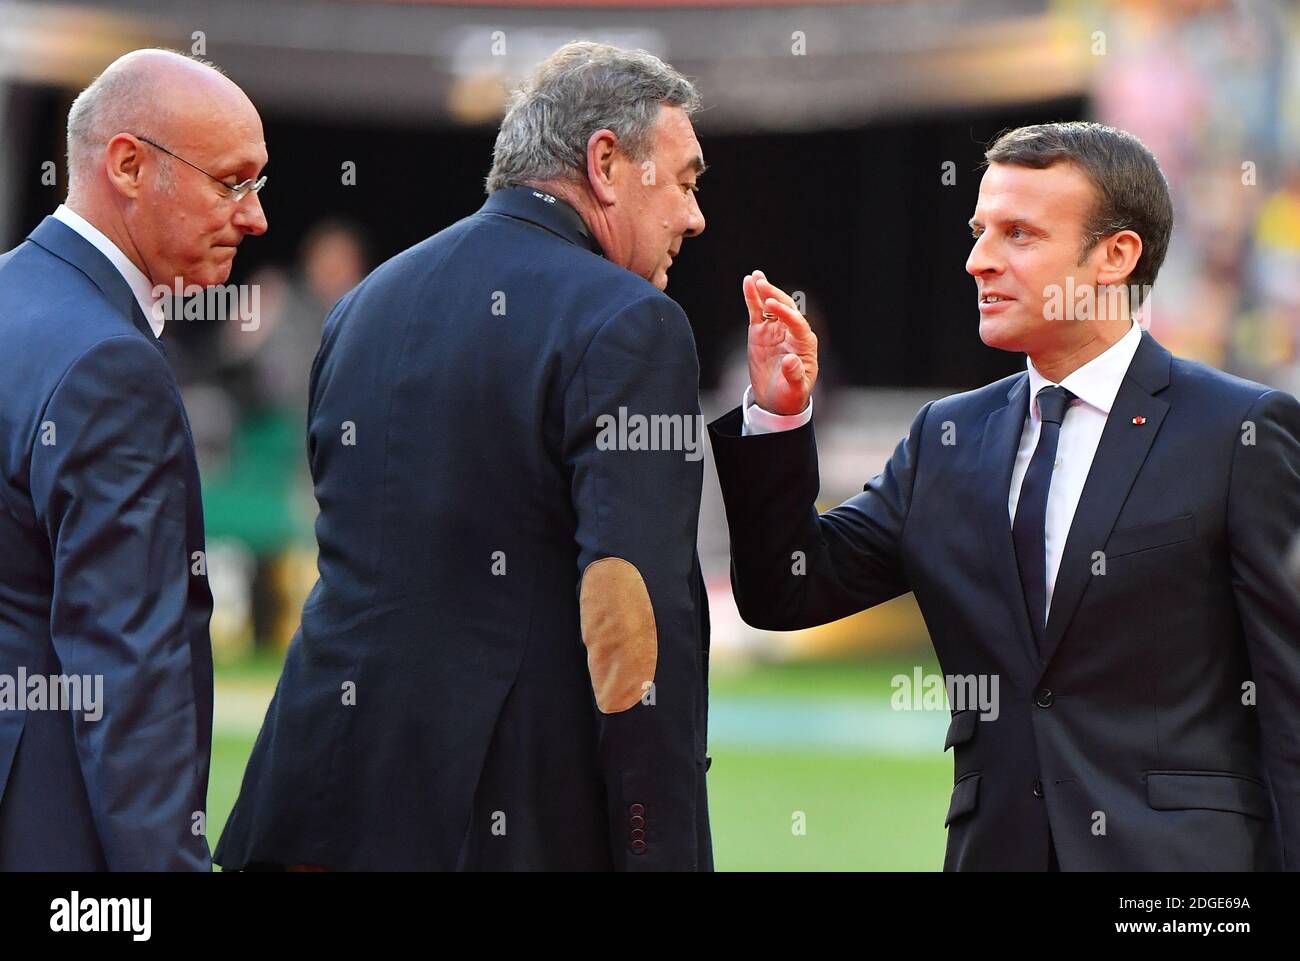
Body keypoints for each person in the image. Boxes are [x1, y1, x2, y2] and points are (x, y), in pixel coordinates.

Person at [710, 122, 1300, 871]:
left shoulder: (1238, 431)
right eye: (979, 230)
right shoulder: (946, 436)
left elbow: (1289, 701)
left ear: (1115, 257)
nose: (978, 260)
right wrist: (780, 416)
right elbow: (786, 591)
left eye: (1018, 234)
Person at [217, 40, 712, 871]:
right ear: (605, 164)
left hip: (312, 799)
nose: (695, 216)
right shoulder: (630, 321)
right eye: (688, 180)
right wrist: (657, 848)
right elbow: (631, 619)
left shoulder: (364, 305)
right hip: (505, 818)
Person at [0, 49, 268, 870]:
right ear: (128, 165)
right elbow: (128, 670)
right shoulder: (108, 365)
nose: (255, 217)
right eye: (233, 182)